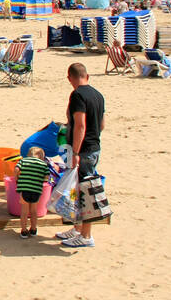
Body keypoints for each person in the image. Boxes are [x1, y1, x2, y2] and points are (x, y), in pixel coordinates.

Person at [59, 63, 108, 248]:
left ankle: (86, 235)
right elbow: (102, 124)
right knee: (79, 190)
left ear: (70, 77)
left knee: (85, 191)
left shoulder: (78, 95)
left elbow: (80, 125)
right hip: (94, 146)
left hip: (84, 150)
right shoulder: (98, 95)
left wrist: (76, 152)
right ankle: (78, 228)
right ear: (87, 76)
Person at [14, 147, 50, 239]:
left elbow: (16, 170)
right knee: (34, 211)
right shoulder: (43, 164)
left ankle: (24, 230)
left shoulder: (23, 161)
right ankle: (33, 229)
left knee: (24, 211)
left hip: (24, 188)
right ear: (41, 157)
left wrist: (17, 178)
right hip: (36, 190)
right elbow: (47, 176)